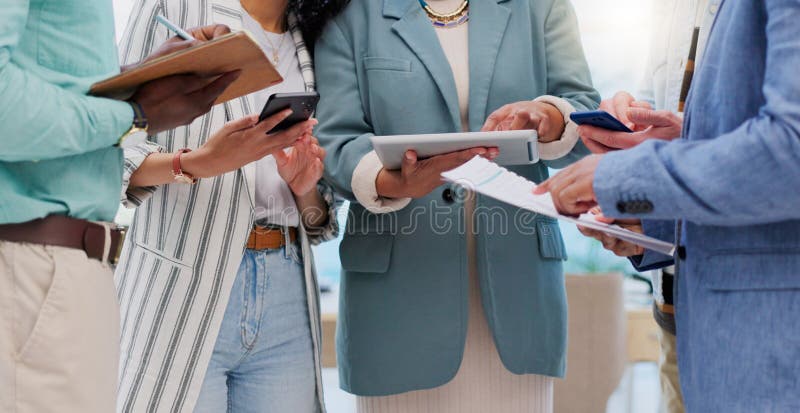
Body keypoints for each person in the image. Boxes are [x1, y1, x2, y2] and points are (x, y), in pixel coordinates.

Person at [315, 0, 600, 411]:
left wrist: (551, 116)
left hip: (519, 294)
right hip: (396, 306)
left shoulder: (541, 7)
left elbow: (586, 111)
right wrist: (392, 181)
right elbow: (334, 140)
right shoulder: (349, 13)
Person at [535, 0, 800, 410]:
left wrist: (625, 178)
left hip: (768, 339)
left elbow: (790, 151)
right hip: (703, 324)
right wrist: (652, 224)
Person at [0, 1, 235, 411]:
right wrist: (132, 116)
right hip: (34, 272)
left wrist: (135, 82)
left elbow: (43, 80)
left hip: (64, 272)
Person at [113, 0, 348, 412]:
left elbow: (319, 221)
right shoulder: (176, 6)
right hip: (180, 287)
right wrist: (197, 163)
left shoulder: (311, 34)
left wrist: (304, 188)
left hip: (288, 291)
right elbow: (110, 146)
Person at [575, 2, 719, 412]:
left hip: (742, 307)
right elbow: (659, 117)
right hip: (673, 307)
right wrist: (626, 117)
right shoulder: (668, 9)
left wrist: (682, 140)